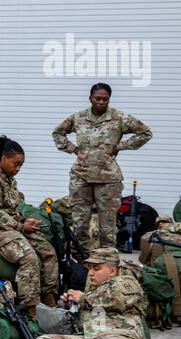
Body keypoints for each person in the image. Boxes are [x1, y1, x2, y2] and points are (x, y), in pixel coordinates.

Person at [19, 247, 146, 339]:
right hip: (90, 338)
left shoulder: (127, 282)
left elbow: (116, 298)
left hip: (118, 337)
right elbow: (91, 309)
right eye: (90, 268)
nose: (90, 273)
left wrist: (83, 299)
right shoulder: (93, 287)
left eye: (96, 268)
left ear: (112, 271)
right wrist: (72, 305)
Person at [51, 82, 152, 249]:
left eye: (105, 99)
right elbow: (58, 133)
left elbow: (145, 133)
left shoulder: (119, 118)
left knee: (108, 226)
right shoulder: (78, 118)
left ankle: (107, 262)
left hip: (108, 179)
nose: (101, 102)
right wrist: (73, 149)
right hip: (81, 176)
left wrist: (120, 146)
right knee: (80, 223)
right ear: (90, 98)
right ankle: (81, 259)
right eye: (97, 98)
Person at [0, 136, 59, 308]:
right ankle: (30, 306)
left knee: (48, 251)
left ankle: (49, 297)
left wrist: (25, 220)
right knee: (28, 257)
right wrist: (20, 226)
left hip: (9, 224)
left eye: (21, 165)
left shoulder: (9, 180)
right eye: (16, 164)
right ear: (3, 158)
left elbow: (11, 209)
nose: (18, 169)